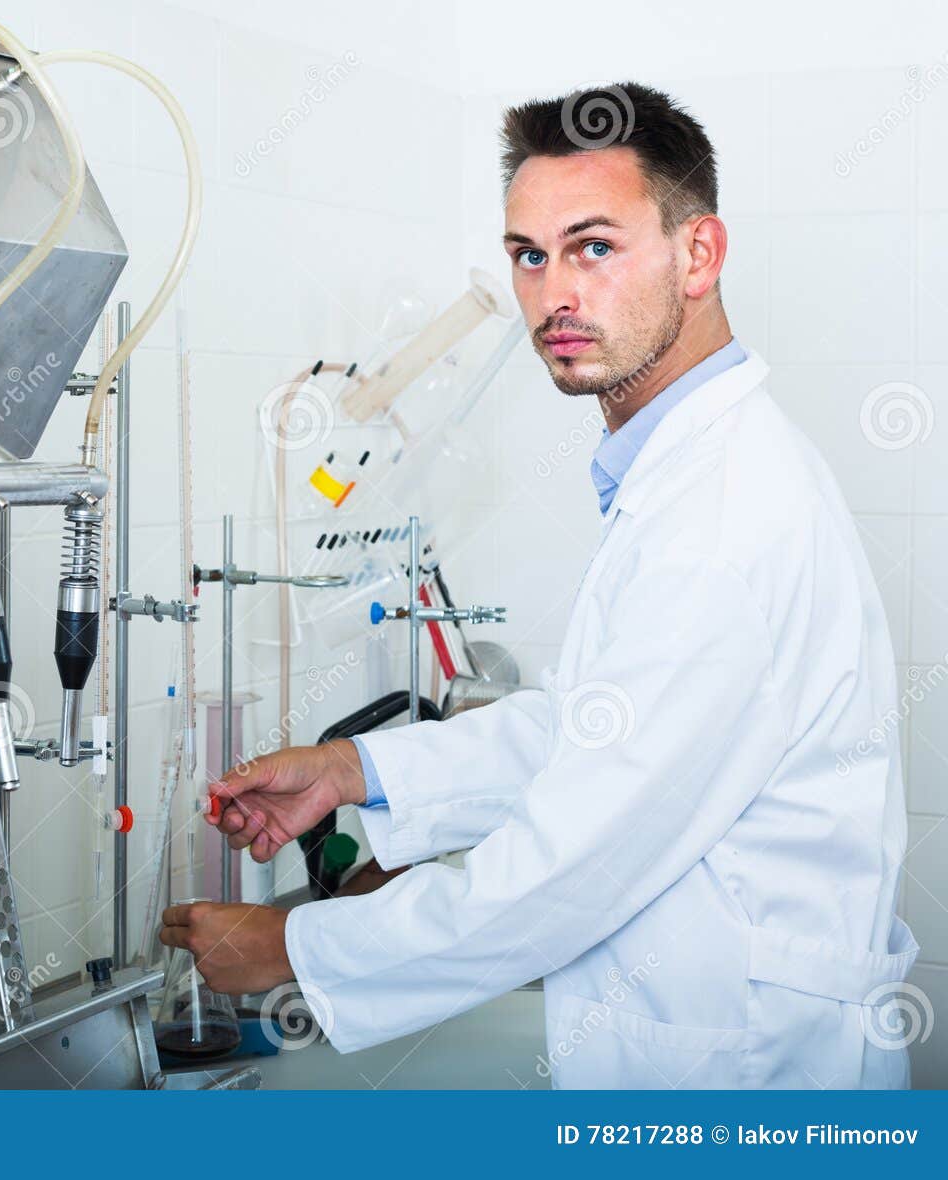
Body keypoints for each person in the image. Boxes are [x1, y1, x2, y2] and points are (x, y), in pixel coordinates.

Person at [160, 82, 916, 1089]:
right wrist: (353, 772)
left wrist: (294, 950)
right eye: (529, 255)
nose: (554, 292)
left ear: (700, 254)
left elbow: (572, 866)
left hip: (746, 1071)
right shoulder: (684, 476)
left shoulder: (724, 517)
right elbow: (591, 731)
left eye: (593, 246)